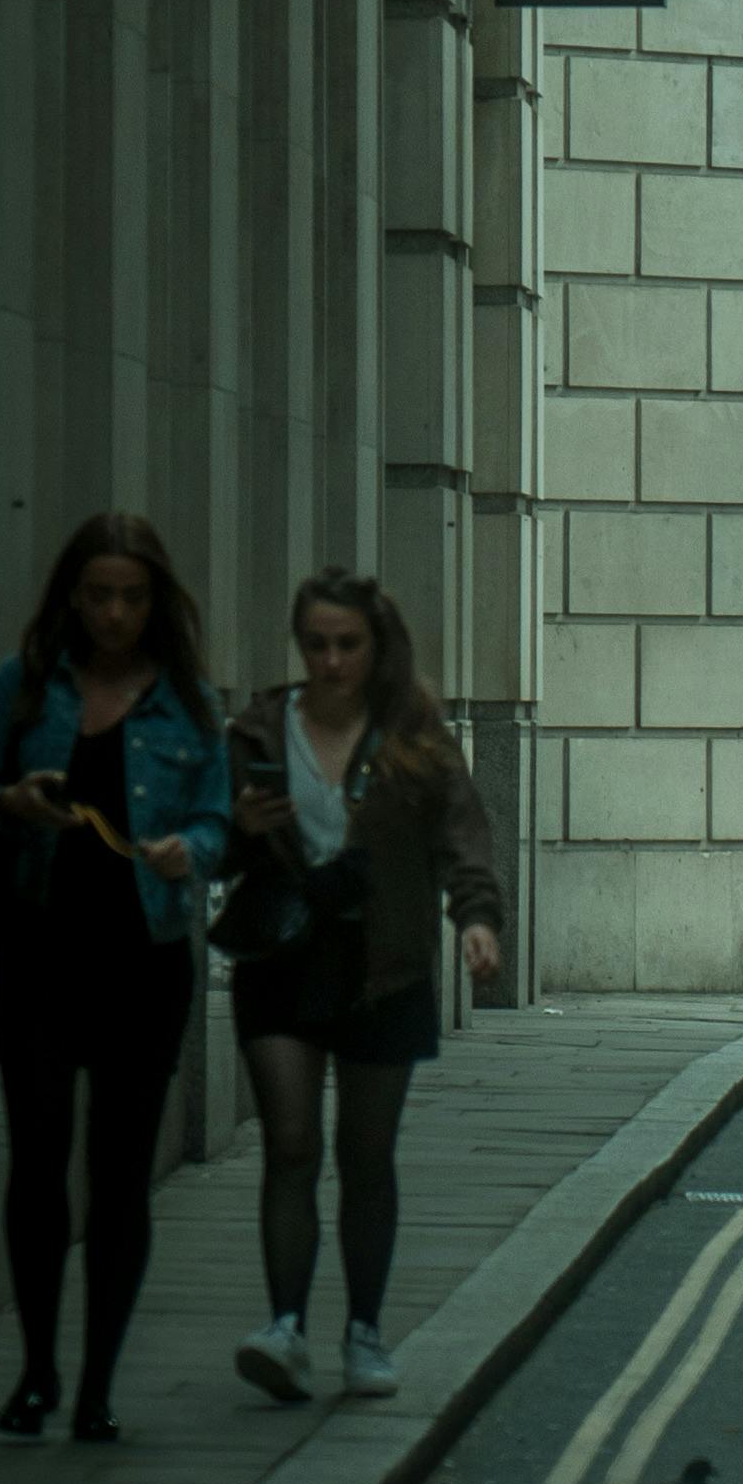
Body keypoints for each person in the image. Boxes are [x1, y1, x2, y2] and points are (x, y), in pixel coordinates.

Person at [0, 515, 233, 1442]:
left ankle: (98, 1387)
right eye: (99, 594)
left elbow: (219, 819)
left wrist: (190, 849)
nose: (115, 613)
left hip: (144, 965)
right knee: (36, 1162)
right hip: (38, 955)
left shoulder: (186, 704)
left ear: (157, 602)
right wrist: (9, 804)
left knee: (118, 1176)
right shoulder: (24, 687)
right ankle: (35, 1372)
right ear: (73, 596)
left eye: (133, 596)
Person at [224, 573, 505, 1406]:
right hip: (281, 956)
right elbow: (209, 840)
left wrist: (476, 918)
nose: (332, 660)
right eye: (317, 644)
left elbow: (463, 833)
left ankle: (364, 1334)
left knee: (365, 1155)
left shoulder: (412, 737)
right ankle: (283, 1327)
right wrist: (238, 828)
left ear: (375, 645)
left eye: (348, 644)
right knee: (292, 1142)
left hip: (386, 965)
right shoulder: (260, 730)